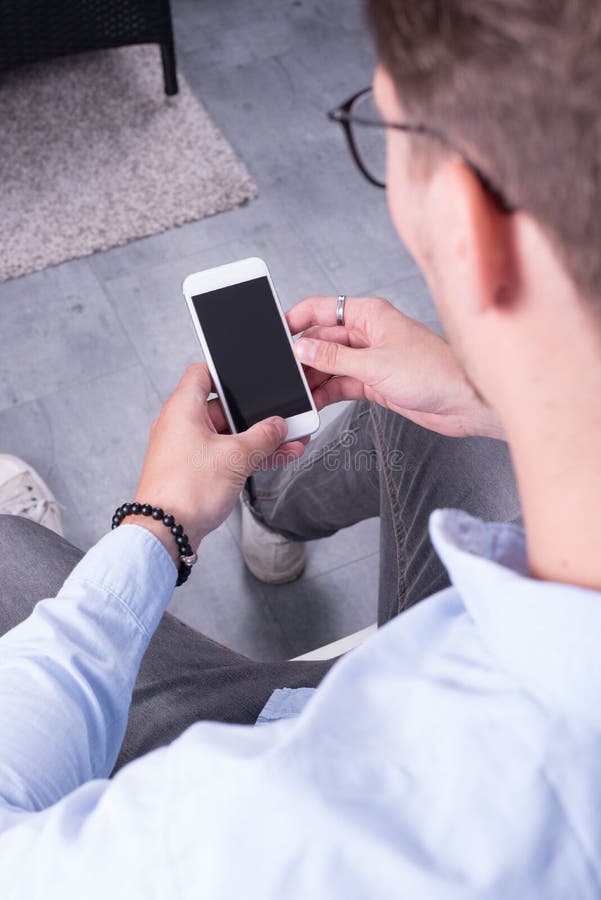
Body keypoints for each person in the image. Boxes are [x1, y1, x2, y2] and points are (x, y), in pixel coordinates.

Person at [1, 0, 599, 895]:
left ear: (471, 229)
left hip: (324, 752)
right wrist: (495, 393)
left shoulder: (213, 843)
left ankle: (254, 501)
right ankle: (271, 505)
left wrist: (156, 525)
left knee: (9, 553)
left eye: (386, 128)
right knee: (411, 411)